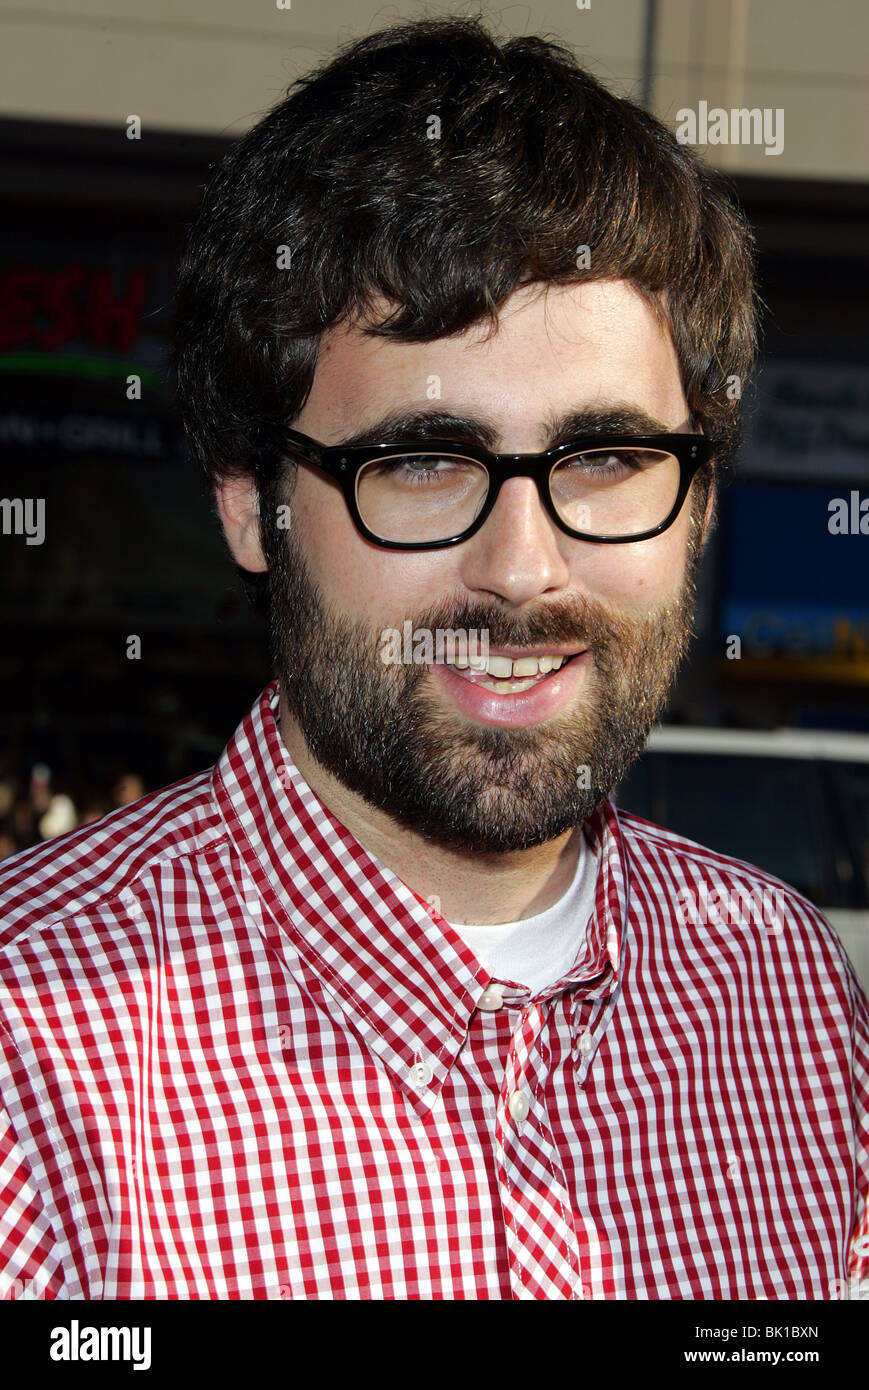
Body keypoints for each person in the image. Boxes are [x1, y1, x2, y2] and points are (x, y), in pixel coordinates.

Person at [0, 17, 866, 1302]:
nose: (521, 569)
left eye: (605, 458)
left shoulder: (784, 988)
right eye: (418, 462)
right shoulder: (30, 1066)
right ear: (250, 500)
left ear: (696, 498)